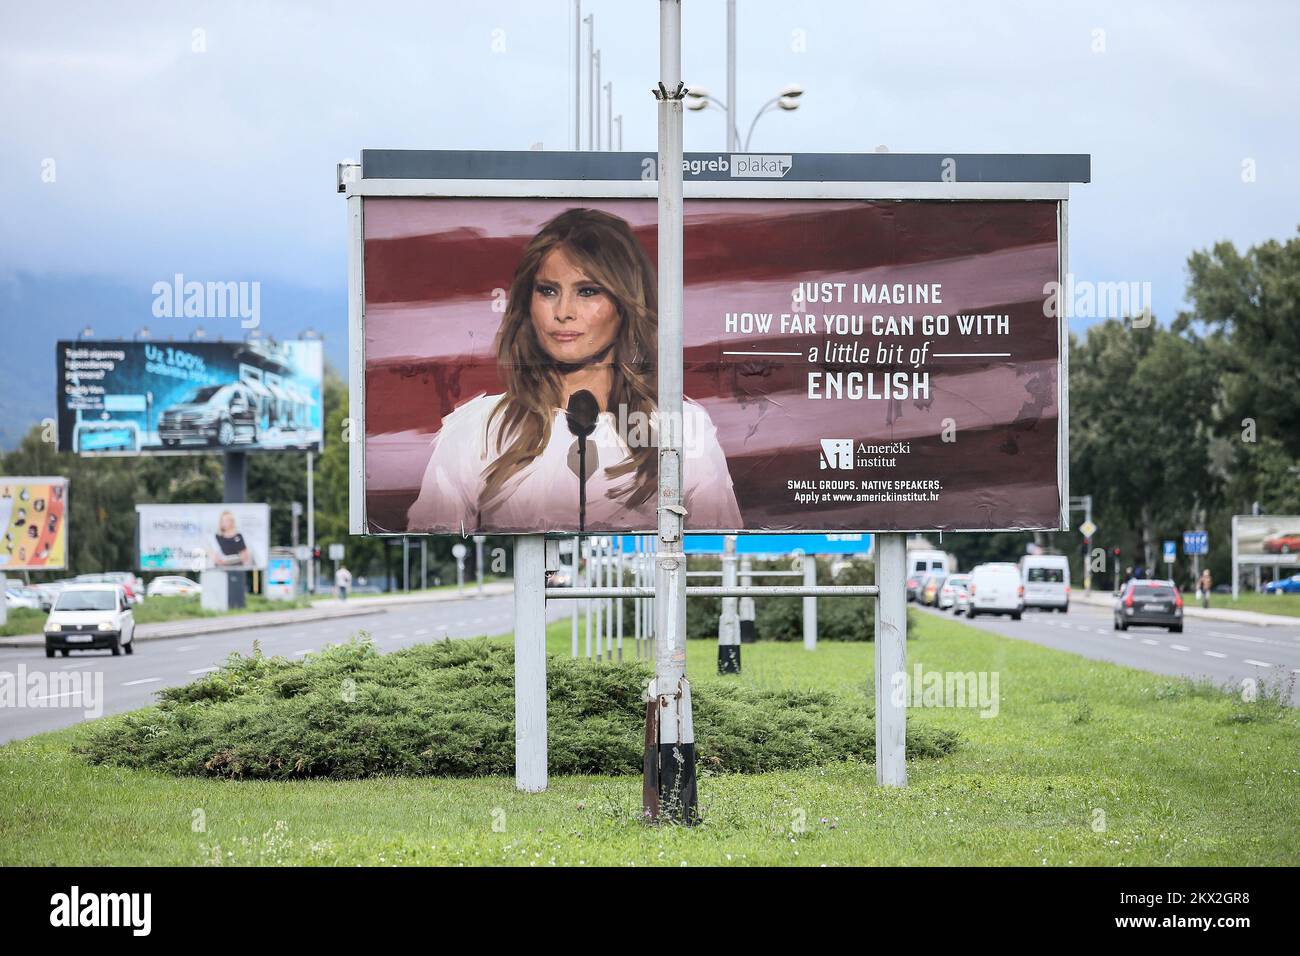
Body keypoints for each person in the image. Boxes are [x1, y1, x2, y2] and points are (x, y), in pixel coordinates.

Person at [407, 207, 742, 534]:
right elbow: (427, 552)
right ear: (528, 300)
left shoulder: (682, 427)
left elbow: (714, 559)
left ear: (624, 303)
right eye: (548, 290)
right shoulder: (476, 428)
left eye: (587, 291)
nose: (563, 311)